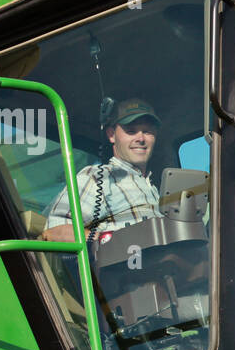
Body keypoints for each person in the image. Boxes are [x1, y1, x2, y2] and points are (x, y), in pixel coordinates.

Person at [42, 97, 164, 242]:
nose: (141, 138)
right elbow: (54, 231)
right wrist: (109, 243)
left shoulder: (155, 190)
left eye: (147, 131)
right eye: (131, 131)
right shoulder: (98, 176)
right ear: (111, 135)